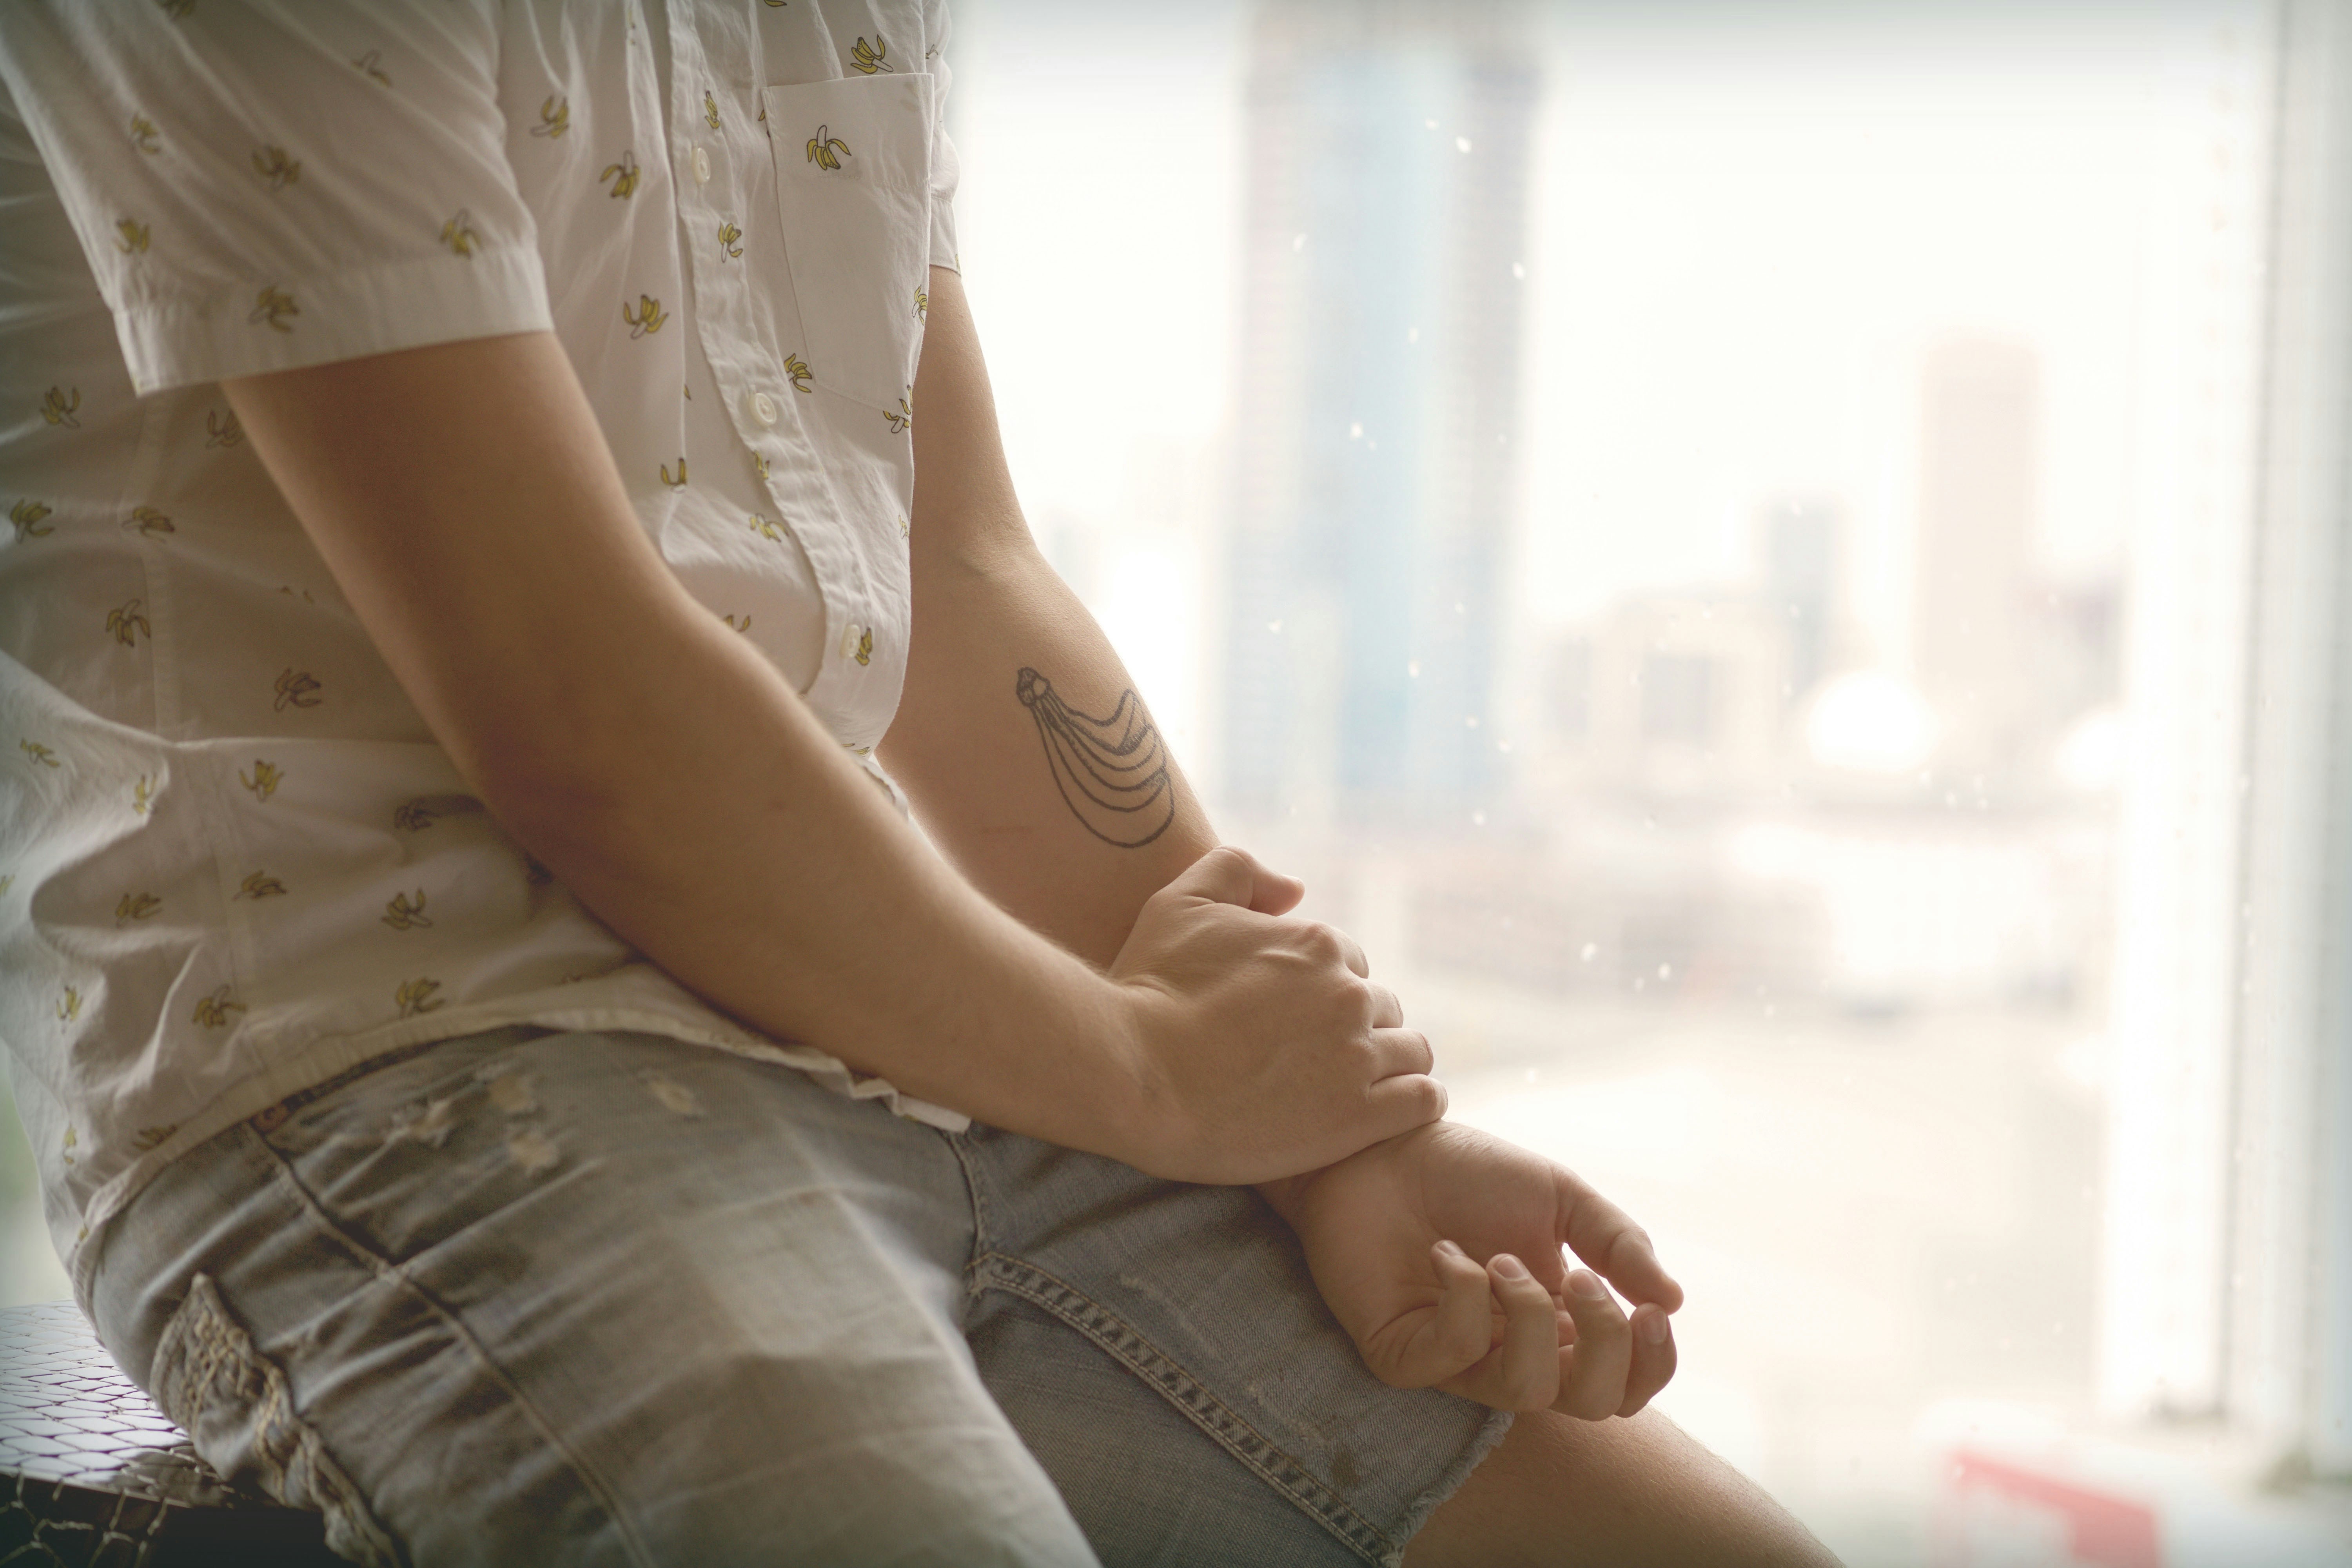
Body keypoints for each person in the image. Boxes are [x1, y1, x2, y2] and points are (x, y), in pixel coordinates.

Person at [0, 2, 1839, 1563]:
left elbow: (954, 572)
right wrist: (1159, 1078)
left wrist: (1332, 1134)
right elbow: (573, 695)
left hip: (916, 1015)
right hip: (396, 1074)